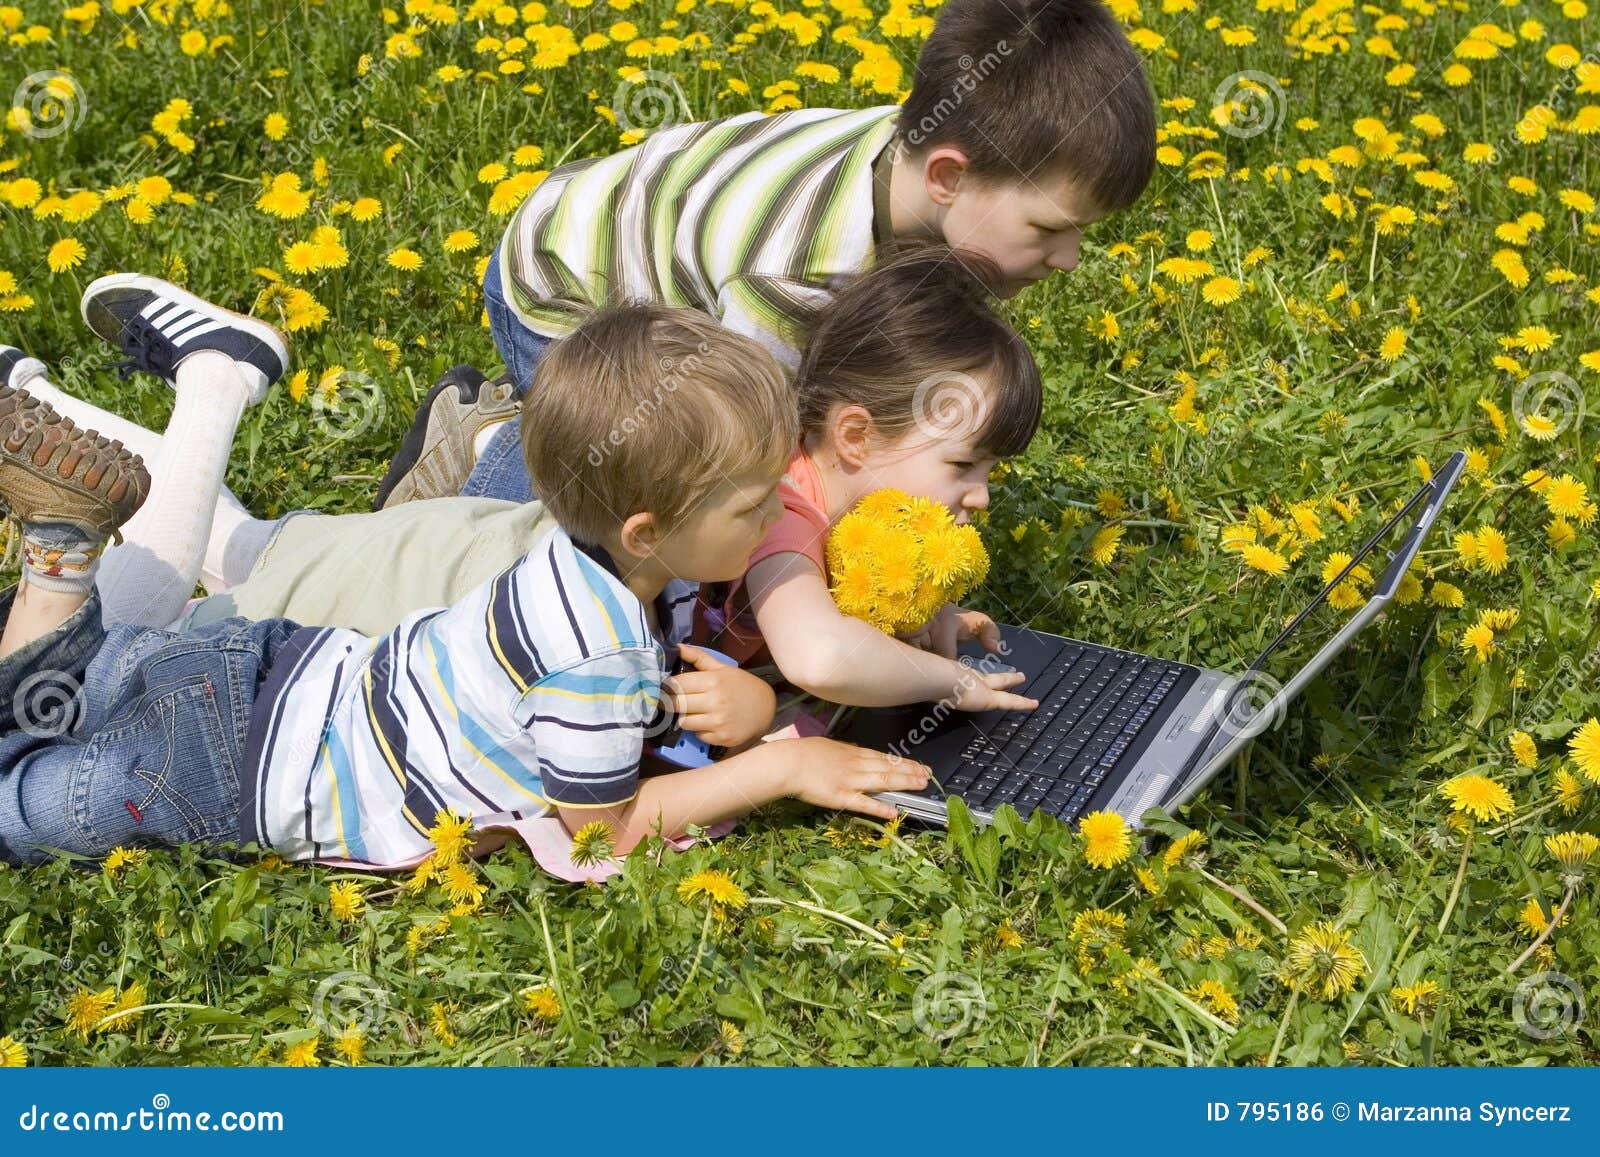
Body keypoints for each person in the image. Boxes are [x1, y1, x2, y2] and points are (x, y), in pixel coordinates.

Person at [0, 277, 928, 869]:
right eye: (755, 504)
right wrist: (782, 766)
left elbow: (625, 710)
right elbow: (602, 826)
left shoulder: (585, 559)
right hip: (234, 767)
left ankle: (59, 560)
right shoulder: (596, 646)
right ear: (648, 529)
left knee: (65, 690)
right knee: (14, 794)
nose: (777, 520)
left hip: (277, 668)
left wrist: (754, 712)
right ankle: (58, 564)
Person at [377, 0, 1157, 507]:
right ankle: (480, 454)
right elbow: (746, 442)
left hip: (678, 270)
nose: (1070, 259)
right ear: (950, 176)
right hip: (566, 291)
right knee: (636, 493)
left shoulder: (939, 164)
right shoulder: (795, 264)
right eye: (1051, 229)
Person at [696, 246, 1044, 711]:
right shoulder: (779, 510)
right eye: (962, 465)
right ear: (856, 436)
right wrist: (950, 679)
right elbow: (818, 658)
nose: (981, 496)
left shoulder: (850, 507)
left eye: (990, 470)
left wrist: (918, 614)